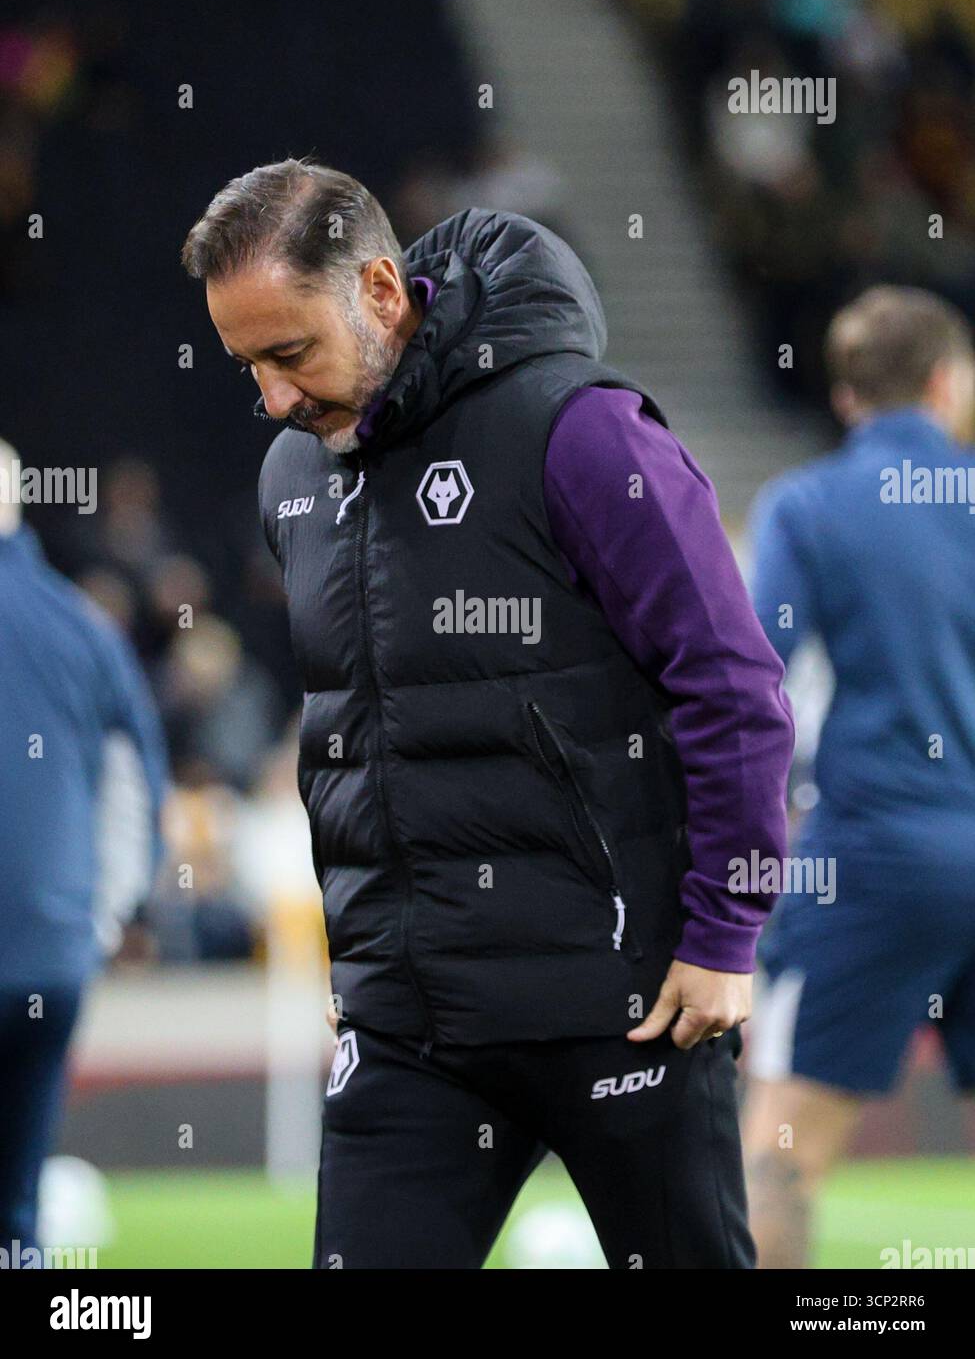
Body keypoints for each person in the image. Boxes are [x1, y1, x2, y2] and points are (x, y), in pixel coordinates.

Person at [181, 159, 794, 1270]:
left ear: (379, 290)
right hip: (411, 1032)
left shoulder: (582, 430)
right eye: (246, 367)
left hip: (628, 1005)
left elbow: (734, 684)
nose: (274, 399)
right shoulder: (292, 480)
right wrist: (371, 954)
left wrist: (725, 931)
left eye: (290, 354)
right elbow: (355, 736)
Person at [743, 286, 975, 1268]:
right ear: (945, 380)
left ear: (844, 397)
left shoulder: (807, 504)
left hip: (880, 847)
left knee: (780, 1148)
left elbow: (753, 675)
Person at [0, 442, 168, 1256]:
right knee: (16, 1204)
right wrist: (94, 927)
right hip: (50, 959)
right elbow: (137, 781)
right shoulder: (81, 625)